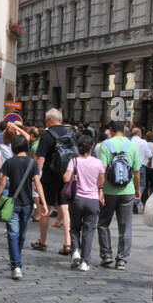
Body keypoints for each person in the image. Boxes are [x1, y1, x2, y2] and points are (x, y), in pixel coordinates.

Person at [0, 135, 45, 280]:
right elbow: (38, 184)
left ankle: (16, 266)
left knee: (13, 235)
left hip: (12, 205)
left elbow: (2, 184)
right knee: (21, 235)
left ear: (13, 148)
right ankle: (17, 262)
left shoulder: (9, 162)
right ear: (26, 147)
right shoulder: (33, 164)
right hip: (27, 205)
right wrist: (43, 203)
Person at [97, 121, 142, 269]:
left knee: (103, 223)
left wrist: (100, 189)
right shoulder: (132, 146)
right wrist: (137, 189)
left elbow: (102, 170)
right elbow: (136, 171)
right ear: (124, 130)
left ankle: (106, 255)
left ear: (110, 130)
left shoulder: (105, 145)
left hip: (109, 190)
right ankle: (122, 260)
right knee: (125, 227)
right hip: (127, 191)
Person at [34, 108, 76, 255]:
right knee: (65, 208)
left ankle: (43, 242)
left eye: (46, 121)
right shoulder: (70, 133)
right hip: (67, 176)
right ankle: (68, 243)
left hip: (49, 176)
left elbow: (41, 158)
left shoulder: (47, 134)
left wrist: (36, 176)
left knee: (45, 208)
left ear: (51, 120)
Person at [63, 134, 104, 271]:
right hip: (92, 200)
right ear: (92, 147)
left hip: (77, 199)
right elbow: (101, 181)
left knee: (74, 227)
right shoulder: (98, 163)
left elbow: (66, 178)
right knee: (88, 231)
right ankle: (85, 262)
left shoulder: (74, 161)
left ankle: (75, 250)